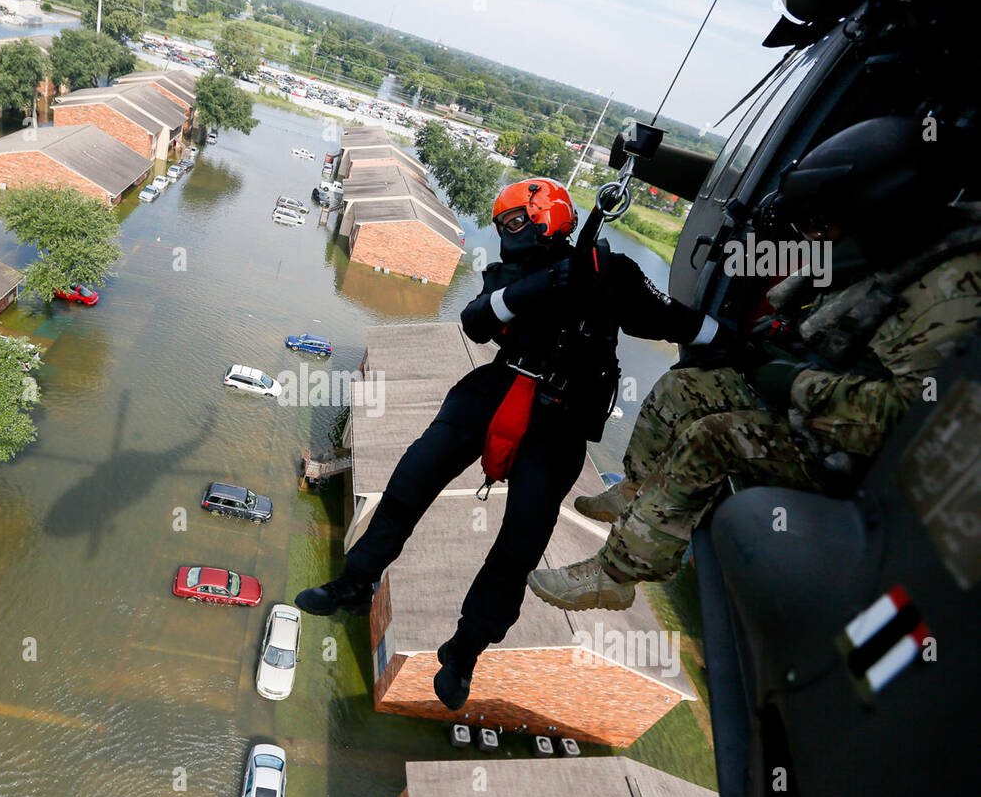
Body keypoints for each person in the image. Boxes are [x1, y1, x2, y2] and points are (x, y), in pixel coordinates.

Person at [295, 177, 717, 709]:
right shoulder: (512, 274)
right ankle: (355, 583)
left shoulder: (610, 273)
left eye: (516, 222)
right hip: (500, 387)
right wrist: (545, 284)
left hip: (560, 419)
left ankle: (465, 651)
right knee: (411, 478)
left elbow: (676, 320)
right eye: (502, 226)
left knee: (520, 543)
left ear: (550, 217)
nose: (507, 234)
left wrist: (740, 342)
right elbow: (475, 321)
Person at [528, 116, 981, 610]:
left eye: (823, 225)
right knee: (687, 385)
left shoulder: (952, 294)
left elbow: (904, 424)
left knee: (714, 437)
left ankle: (616, 576)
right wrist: (771, 353)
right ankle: (634, 492)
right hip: (820, 407)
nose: (815, 238)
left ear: (877, 216)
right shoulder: (903, 253)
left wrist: (793, 382)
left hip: (864, 460)